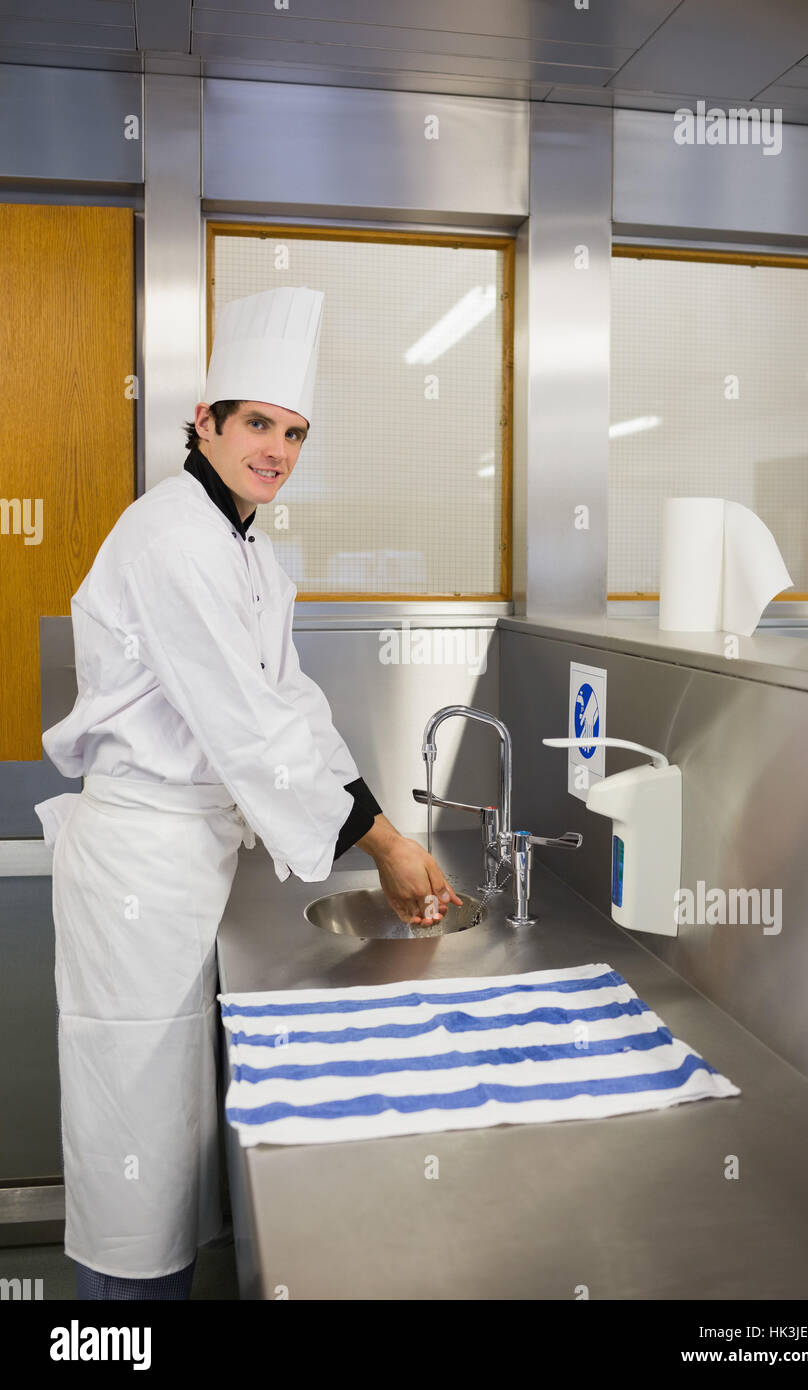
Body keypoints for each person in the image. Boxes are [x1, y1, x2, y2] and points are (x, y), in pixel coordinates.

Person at [35, 285, 461, 1300]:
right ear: (206, 423)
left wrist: (379, 821)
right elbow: (247, 727)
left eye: (294, 432)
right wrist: (387, 845)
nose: (275, 447)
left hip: (188, 864)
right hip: (139, 864)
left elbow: (293, 709)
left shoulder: (249, 548)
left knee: (170, 1139)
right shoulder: (173, 536)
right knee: (131, 1142)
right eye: (258, 424)